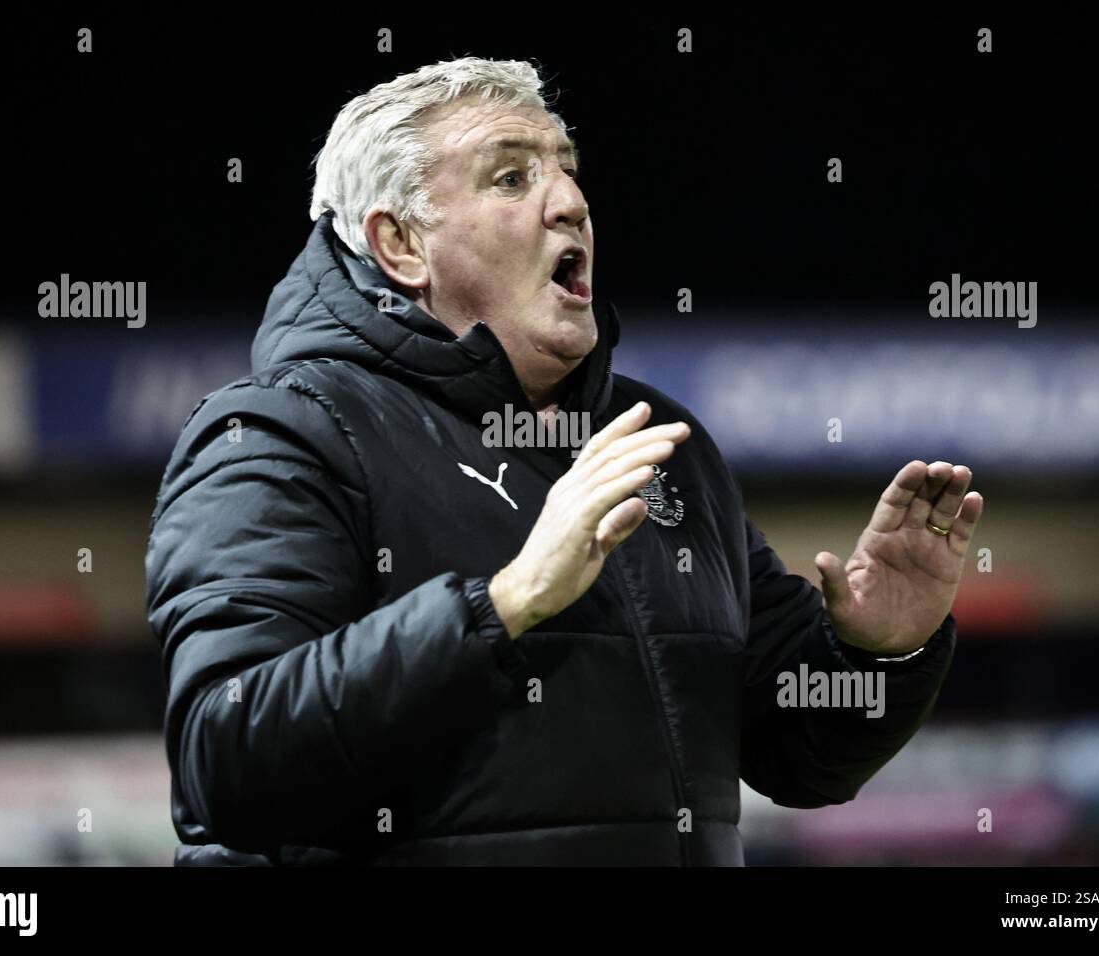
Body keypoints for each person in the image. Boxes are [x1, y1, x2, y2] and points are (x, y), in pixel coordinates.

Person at [145, 57, 984, 866]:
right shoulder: (278, 432)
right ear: (400, 244)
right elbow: (228, 759)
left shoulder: (659, 441)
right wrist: (504, 604)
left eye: (567, 170)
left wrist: (879, 652)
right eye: (511, 178)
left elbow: (797, 759)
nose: (571, 202)